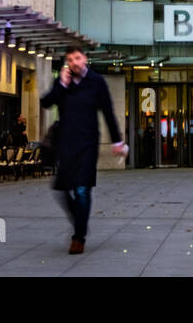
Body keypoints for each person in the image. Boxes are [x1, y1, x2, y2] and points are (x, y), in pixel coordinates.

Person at [39, 47, 127, 255]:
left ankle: (79, 237)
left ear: (85, 59)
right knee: (61, 189)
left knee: (82, 189)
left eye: (77, 58)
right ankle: (80, 220)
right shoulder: (63, 83)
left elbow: (108, 111)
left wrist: (117, 141)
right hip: (66, 145)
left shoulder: (96, 82)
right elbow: (46, 103)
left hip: (87, 145)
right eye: (70, 59)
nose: (74, 62)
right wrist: (62, 84)